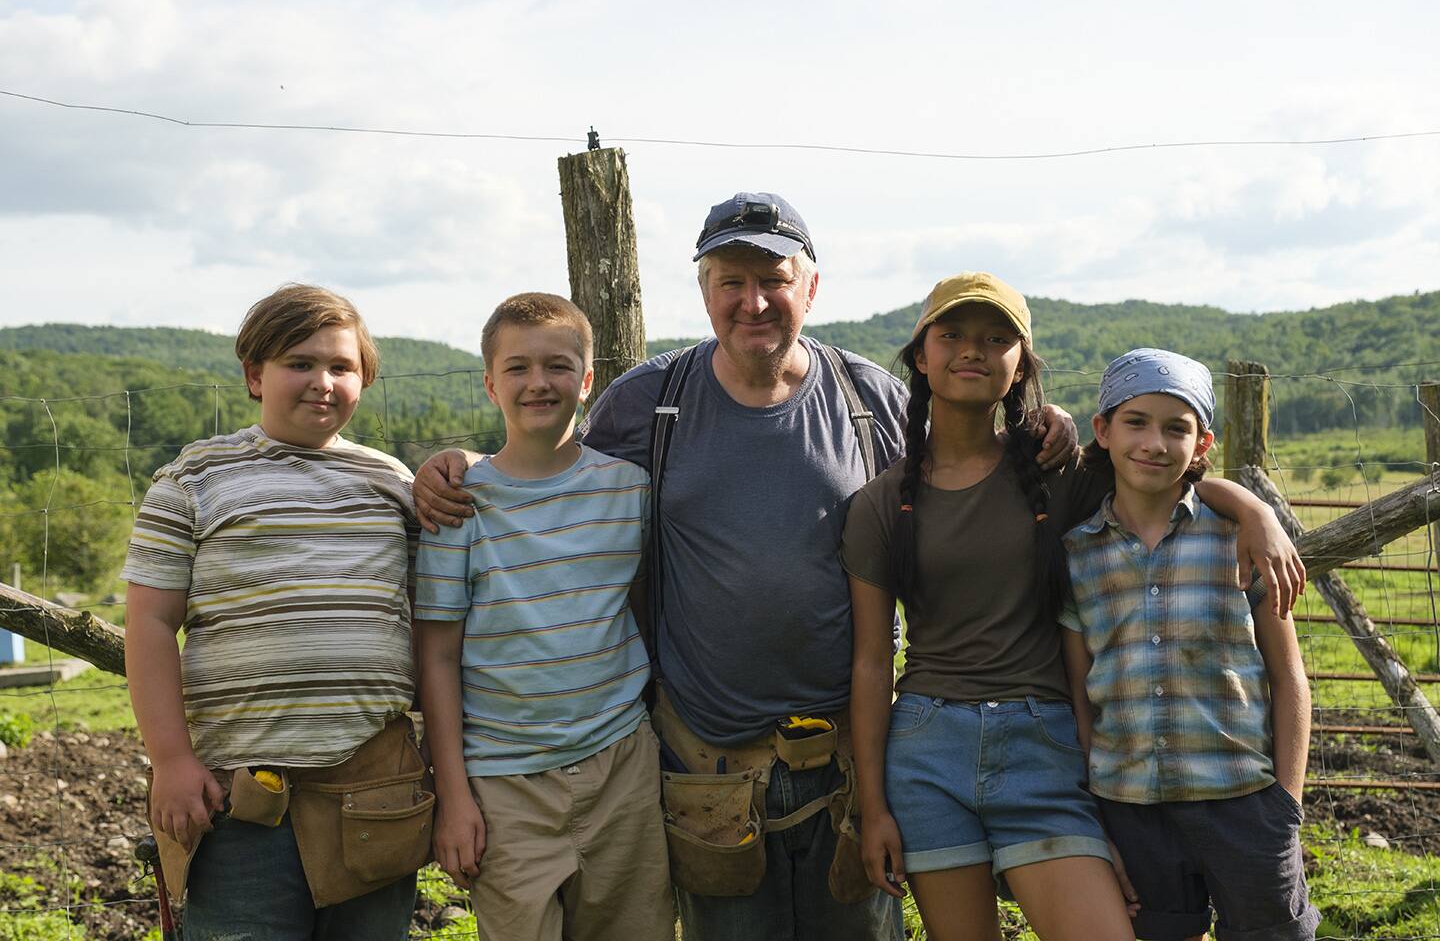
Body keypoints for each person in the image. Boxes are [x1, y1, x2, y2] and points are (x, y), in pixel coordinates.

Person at [414, 193, 1085, 940]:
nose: (753, 301)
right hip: (706, 770)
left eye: (774, 279)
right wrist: (461, 465)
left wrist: (1042, 424)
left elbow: (968, 465)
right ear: (704, 290)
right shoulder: (648, 404)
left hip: (847, 766)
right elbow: (552, 470)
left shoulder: (874, 401)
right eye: (731, 280)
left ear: (812, 289)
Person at [842, 275, 1306, 941]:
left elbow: (1160, 467)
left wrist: (1253, 508)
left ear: (1020, 365)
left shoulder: (1061, 474)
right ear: (921, 354)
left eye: (996, 339)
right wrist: (874, 804)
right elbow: (869, 661)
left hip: (1044, 750)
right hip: (926, 752)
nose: (973, 351)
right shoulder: (882, 505)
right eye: (952, 336)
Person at [122, 284, 428, 941]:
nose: (323, 381)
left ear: (364, 379)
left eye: (342, 367)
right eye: (300, 362)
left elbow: (426, 614)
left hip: (375, 790)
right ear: (255, 375)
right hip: (241, 798)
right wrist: (172, 760)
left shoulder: (392, 483)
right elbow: (148, 623)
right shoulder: (195, 479)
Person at [413, 292, 674, 940]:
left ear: (586, 381)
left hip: (622, 768)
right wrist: (455, 798)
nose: (538, 383)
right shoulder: (458, 504)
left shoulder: (629, 489)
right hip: (504, 784)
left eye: (558, 366)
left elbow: (638, 606)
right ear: (489, 383)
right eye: (518, 368)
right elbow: (437, 657)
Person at [1060, 349, 1319, 941]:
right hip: (1130, 808)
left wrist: (1286, 804)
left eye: (1176, 428)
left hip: (1244, 802)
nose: (1154, 442)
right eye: (1136, 422)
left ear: (1202, 444)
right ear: (1101, 431)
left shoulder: (1238, 540)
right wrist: (1092, 805)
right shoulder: (1078, 555)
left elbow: (1290, 677)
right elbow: (1079, 695)